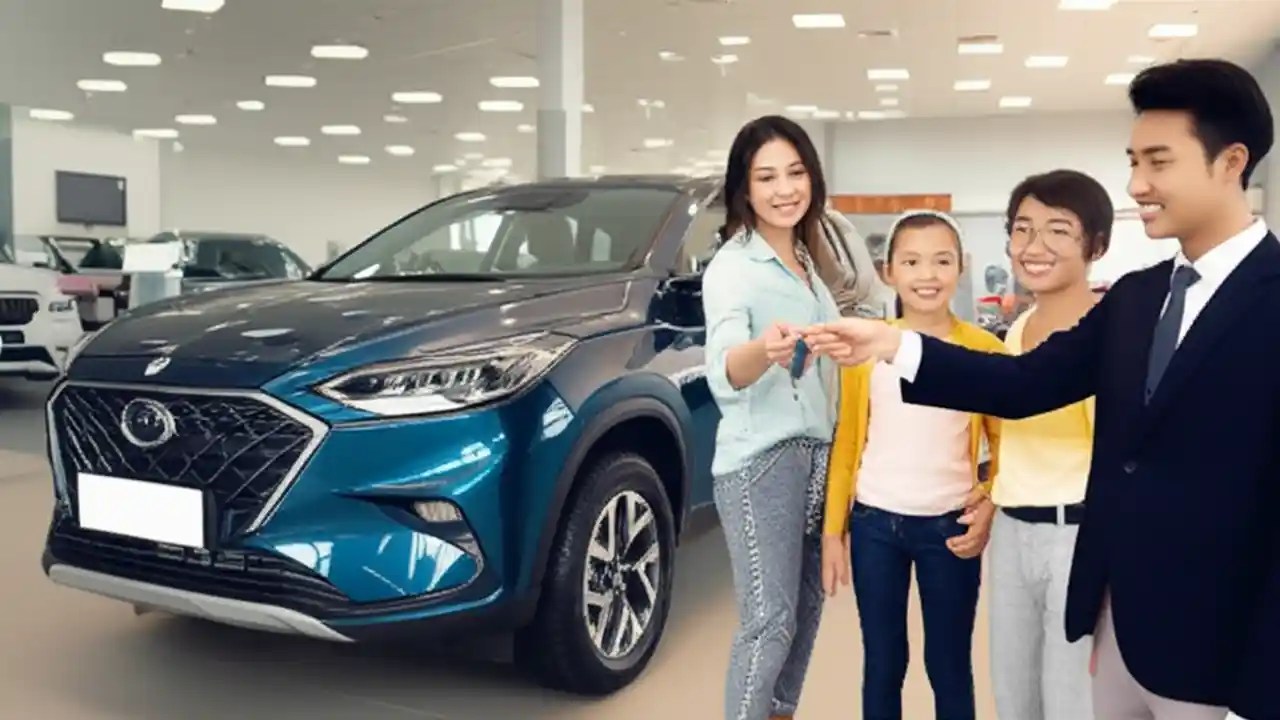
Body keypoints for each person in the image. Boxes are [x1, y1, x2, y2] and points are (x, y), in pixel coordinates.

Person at [801, 58, 1278, 720]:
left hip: (1219, 645)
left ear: (1231, 162)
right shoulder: (1139, 299)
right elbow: (1022, 383)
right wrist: (894, 343)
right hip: (1114, 622)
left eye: (1158, 162)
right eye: (1132, 160)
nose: (1137, 183)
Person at [820, 209, 1005, 720]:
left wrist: (991, 497)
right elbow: (846, 447)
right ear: (888, 271)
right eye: (912, 261)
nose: (928, 275)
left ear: (962, 267)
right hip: (875, 525)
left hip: (951, 528)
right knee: (883, 662)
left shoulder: (982, 350)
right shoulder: (865, 351)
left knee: (948, 663)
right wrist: (833, 533)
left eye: (942, 261)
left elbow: (1003, 439)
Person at [701, 114, 844, 720]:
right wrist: (766, 350)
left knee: (807, 610)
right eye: (767, 177)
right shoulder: (733, 266)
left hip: (818, 454)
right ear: (745, 188)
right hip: (763, 459)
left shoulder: (811, 261)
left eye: (796, 172)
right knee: (770, 621)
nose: (785, 188)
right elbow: (724, 368)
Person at [987, 170, 1114, 720]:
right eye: (1022, 229)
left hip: (1078, 537)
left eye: (1058, 231)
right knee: (1014, 698)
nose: (1034, 247)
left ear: (1096, 246)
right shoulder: (1019, 329)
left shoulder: (1109, 335)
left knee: (1071, 704)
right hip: (1012, 533)